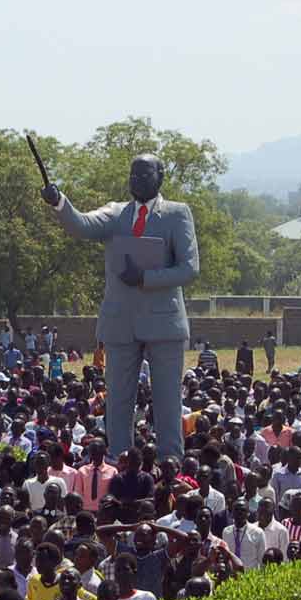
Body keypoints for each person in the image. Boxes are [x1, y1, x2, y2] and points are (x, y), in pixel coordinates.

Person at [44, 155, 200, 457]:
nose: (137, 180)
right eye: (133, 175)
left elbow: (189, 268)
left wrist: (145, 278)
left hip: (164, 323)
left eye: (145, 174)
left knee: (167, 402)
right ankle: (118, 460)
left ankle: (170, 463)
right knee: (117, 401)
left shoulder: (177, 214)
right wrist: (59, 202)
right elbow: (82, 224)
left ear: (160, 177)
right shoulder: (115, 214)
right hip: (120, 323)